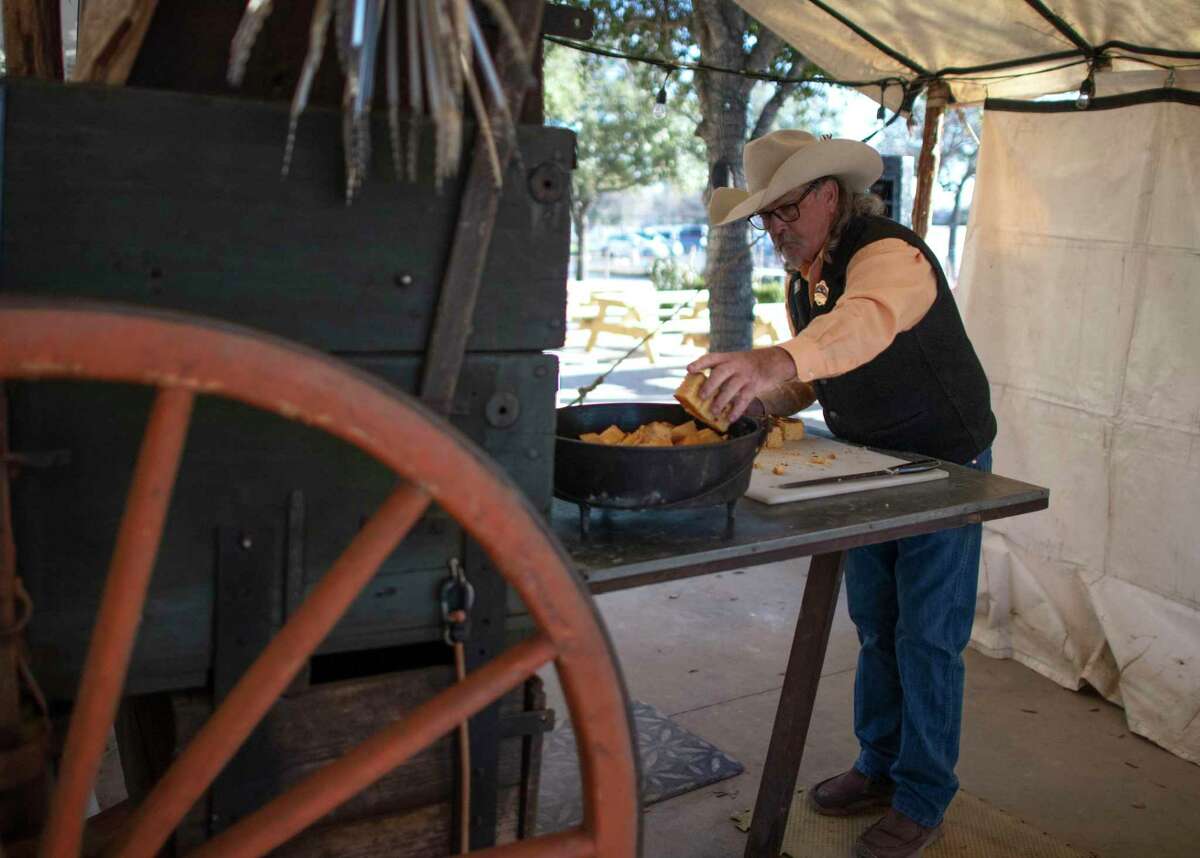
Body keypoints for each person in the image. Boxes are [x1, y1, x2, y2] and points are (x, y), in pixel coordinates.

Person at [696, 130, 996, 858]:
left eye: (786, 210)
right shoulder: (809, 278)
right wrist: (766, 399)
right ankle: (879, 765)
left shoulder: (891, 256)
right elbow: (823, 367)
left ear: (831, 194)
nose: (775, 229)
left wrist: (773, 357)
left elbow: (864, 326)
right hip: (870, 462)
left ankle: (922, 796)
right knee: (876, 622)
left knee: (927, 635)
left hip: (944, 463)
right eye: (766, 218)